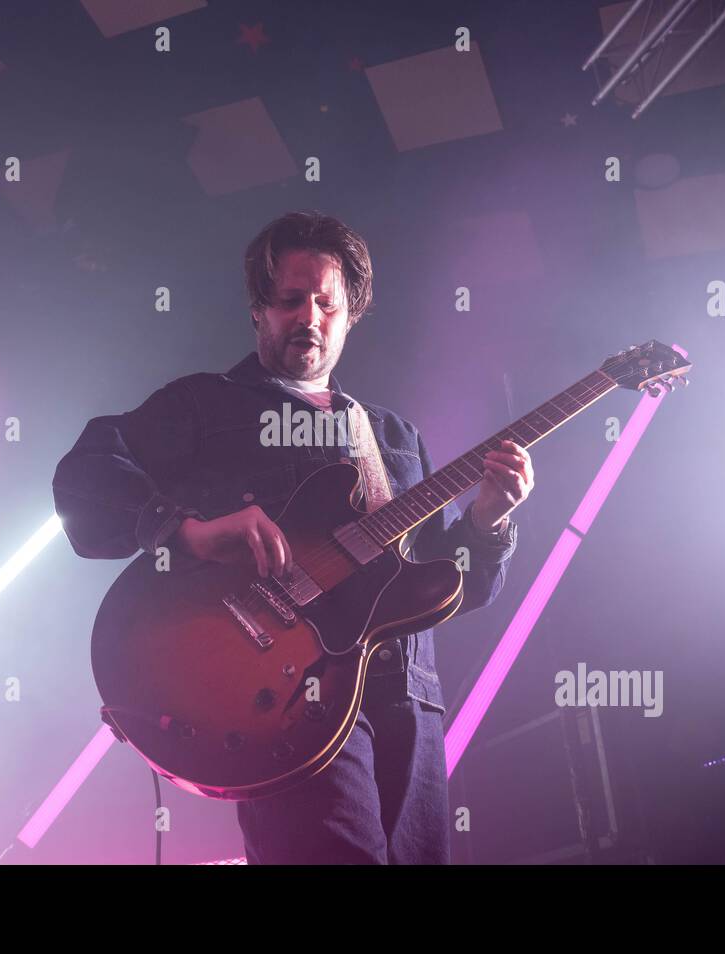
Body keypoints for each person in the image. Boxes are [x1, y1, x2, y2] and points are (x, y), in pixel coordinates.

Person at [53, 210, 533, 863]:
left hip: (406, 700)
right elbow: (86, 476)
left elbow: (445, 585)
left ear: (351, 314)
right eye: (289, 300)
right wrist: (187, 532)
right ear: (259, 310)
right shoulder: (206, 406)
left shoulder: (393, 437)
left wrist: (489, 518)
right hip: (289, 696)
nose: (309, 317)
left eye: (327, 303)